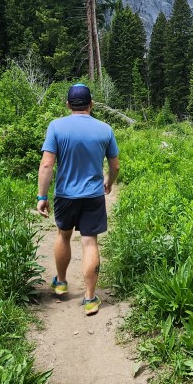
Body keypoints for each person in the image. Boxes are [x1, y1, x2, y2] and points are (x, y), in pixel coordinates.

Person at [36, 83, 120, 316]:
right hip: (93, 195)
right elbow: (114, 165)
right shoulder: (105, 129)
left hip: (65, 195)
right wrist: (109, 183)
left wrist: (42, 196)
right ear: (91, 104)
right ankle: (90, 298)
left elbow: (46, 164)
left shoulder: (56, 126)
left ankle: (61, 282)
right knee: (90, 242)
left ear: (68, 105)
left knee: (63, 236)